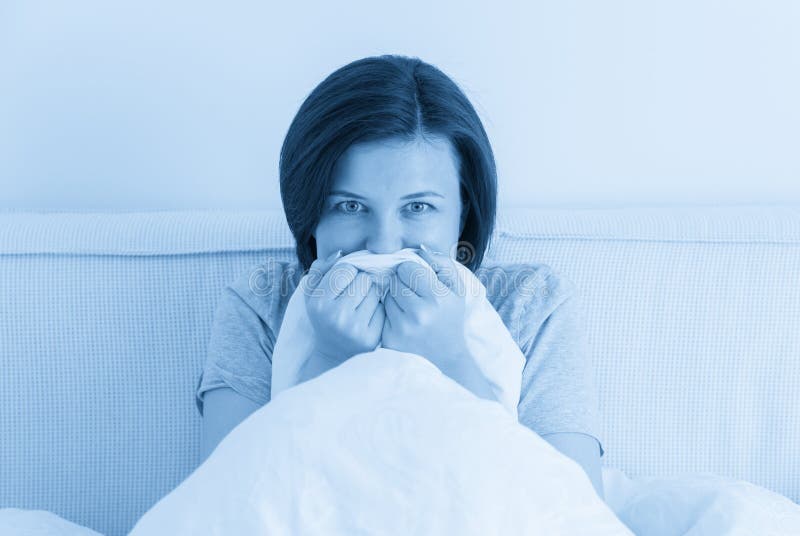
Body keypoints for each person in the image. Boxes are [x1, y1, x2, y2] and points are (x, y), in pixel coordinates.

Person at [195, 54, 606, 499]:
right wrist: (330, 361)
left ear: (462, 212)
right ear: (311, 213)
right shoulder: (260, 307)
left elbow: (571, 508)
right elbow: (225, 503)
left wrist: (450, 359)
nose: (384, 245)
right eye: (350, 206)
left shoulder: (531, 303)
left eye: (418, 207)